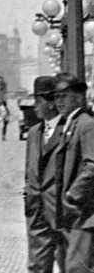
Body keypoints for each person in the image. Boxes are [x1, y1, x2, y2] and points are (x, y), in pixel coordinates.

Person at [53, 72, 94, 273]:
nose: (58, 101)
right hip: (73, 214)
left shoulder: (87, 124)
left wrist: (72, 195)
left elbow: (93, 165)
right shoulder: (71, 124)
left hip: (84, 213)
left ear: (78, 97)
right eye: (56, 97)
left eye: (63, 96)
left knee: (77, 268)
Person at [24, 75, 64, 273]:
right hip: (37, 212)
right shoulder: (34, 132)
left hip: (65, 213)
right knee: (37, 267)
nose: (34, 106)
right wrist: (28, 193)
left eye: (38, 101)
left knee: (70, 266)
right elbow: (29, 170)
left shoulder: (70, 129)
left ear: (51, 103)